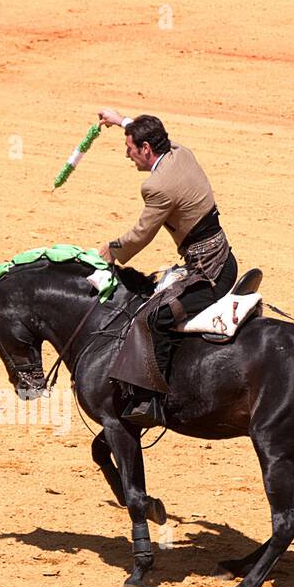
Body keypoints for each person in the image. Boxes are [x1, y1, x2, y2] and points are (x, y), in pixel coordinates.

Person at [95, 108, 238, 427]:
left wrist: (111, 250)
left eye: (130, 148)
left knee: (152, 317)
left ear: (146, 149)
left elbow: (141, 234)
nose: (127, 154)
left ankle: (150, 402)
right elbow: (150, 132)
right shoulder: (178, 151)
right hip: (223, 258)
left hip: (208, 272)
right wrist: (121, 122)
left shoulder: (157, 186)